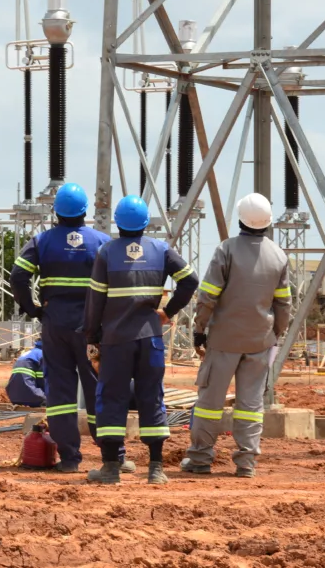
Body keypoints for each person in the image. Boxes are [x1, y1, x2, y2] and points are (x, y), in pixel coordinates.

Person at [83, 194, 198, 485]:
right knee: (151, 397)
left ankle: (110, 469)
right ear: (146, 223)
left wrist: (92, 335)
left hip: (116, 340)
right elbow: (190, 280)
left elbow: (95, 301)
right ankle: (156, 469)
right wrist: (167, 312)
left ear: (117, 223)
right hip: (150, 339)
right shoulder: (160, 250)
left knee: (111, 399)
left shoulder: (107, 253)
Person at [180, 192, 292, 479]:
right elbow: (284, 305)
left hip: (223, 341)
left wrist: (199, 329)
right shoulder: (279, 256)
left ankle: (201, 458)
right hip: (259, 342)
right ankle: (246, 463)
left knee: (209, 402)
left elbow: (208, 296)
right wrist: (274, 334)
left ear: (241, 218)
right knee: (251, 405)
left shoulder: (226, 250)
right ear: (267, 221)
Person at [9, 181, 112, 472]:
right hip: (92, 327)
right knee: (99, 388)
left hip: (55, 325)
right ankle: (110, 456)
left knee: (60, 393)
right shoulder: (101, 242)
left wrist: (33, 309)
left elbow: (18, 276)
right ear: (85, 212)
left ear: (56, 212)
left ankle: (69, 459)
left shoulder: (42, 242)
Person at [6, 339, 46, 407]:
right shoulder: (43, 355)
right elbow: (44, 381)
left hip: (13, 396)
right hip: (32, 396)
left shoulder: (28, 353)